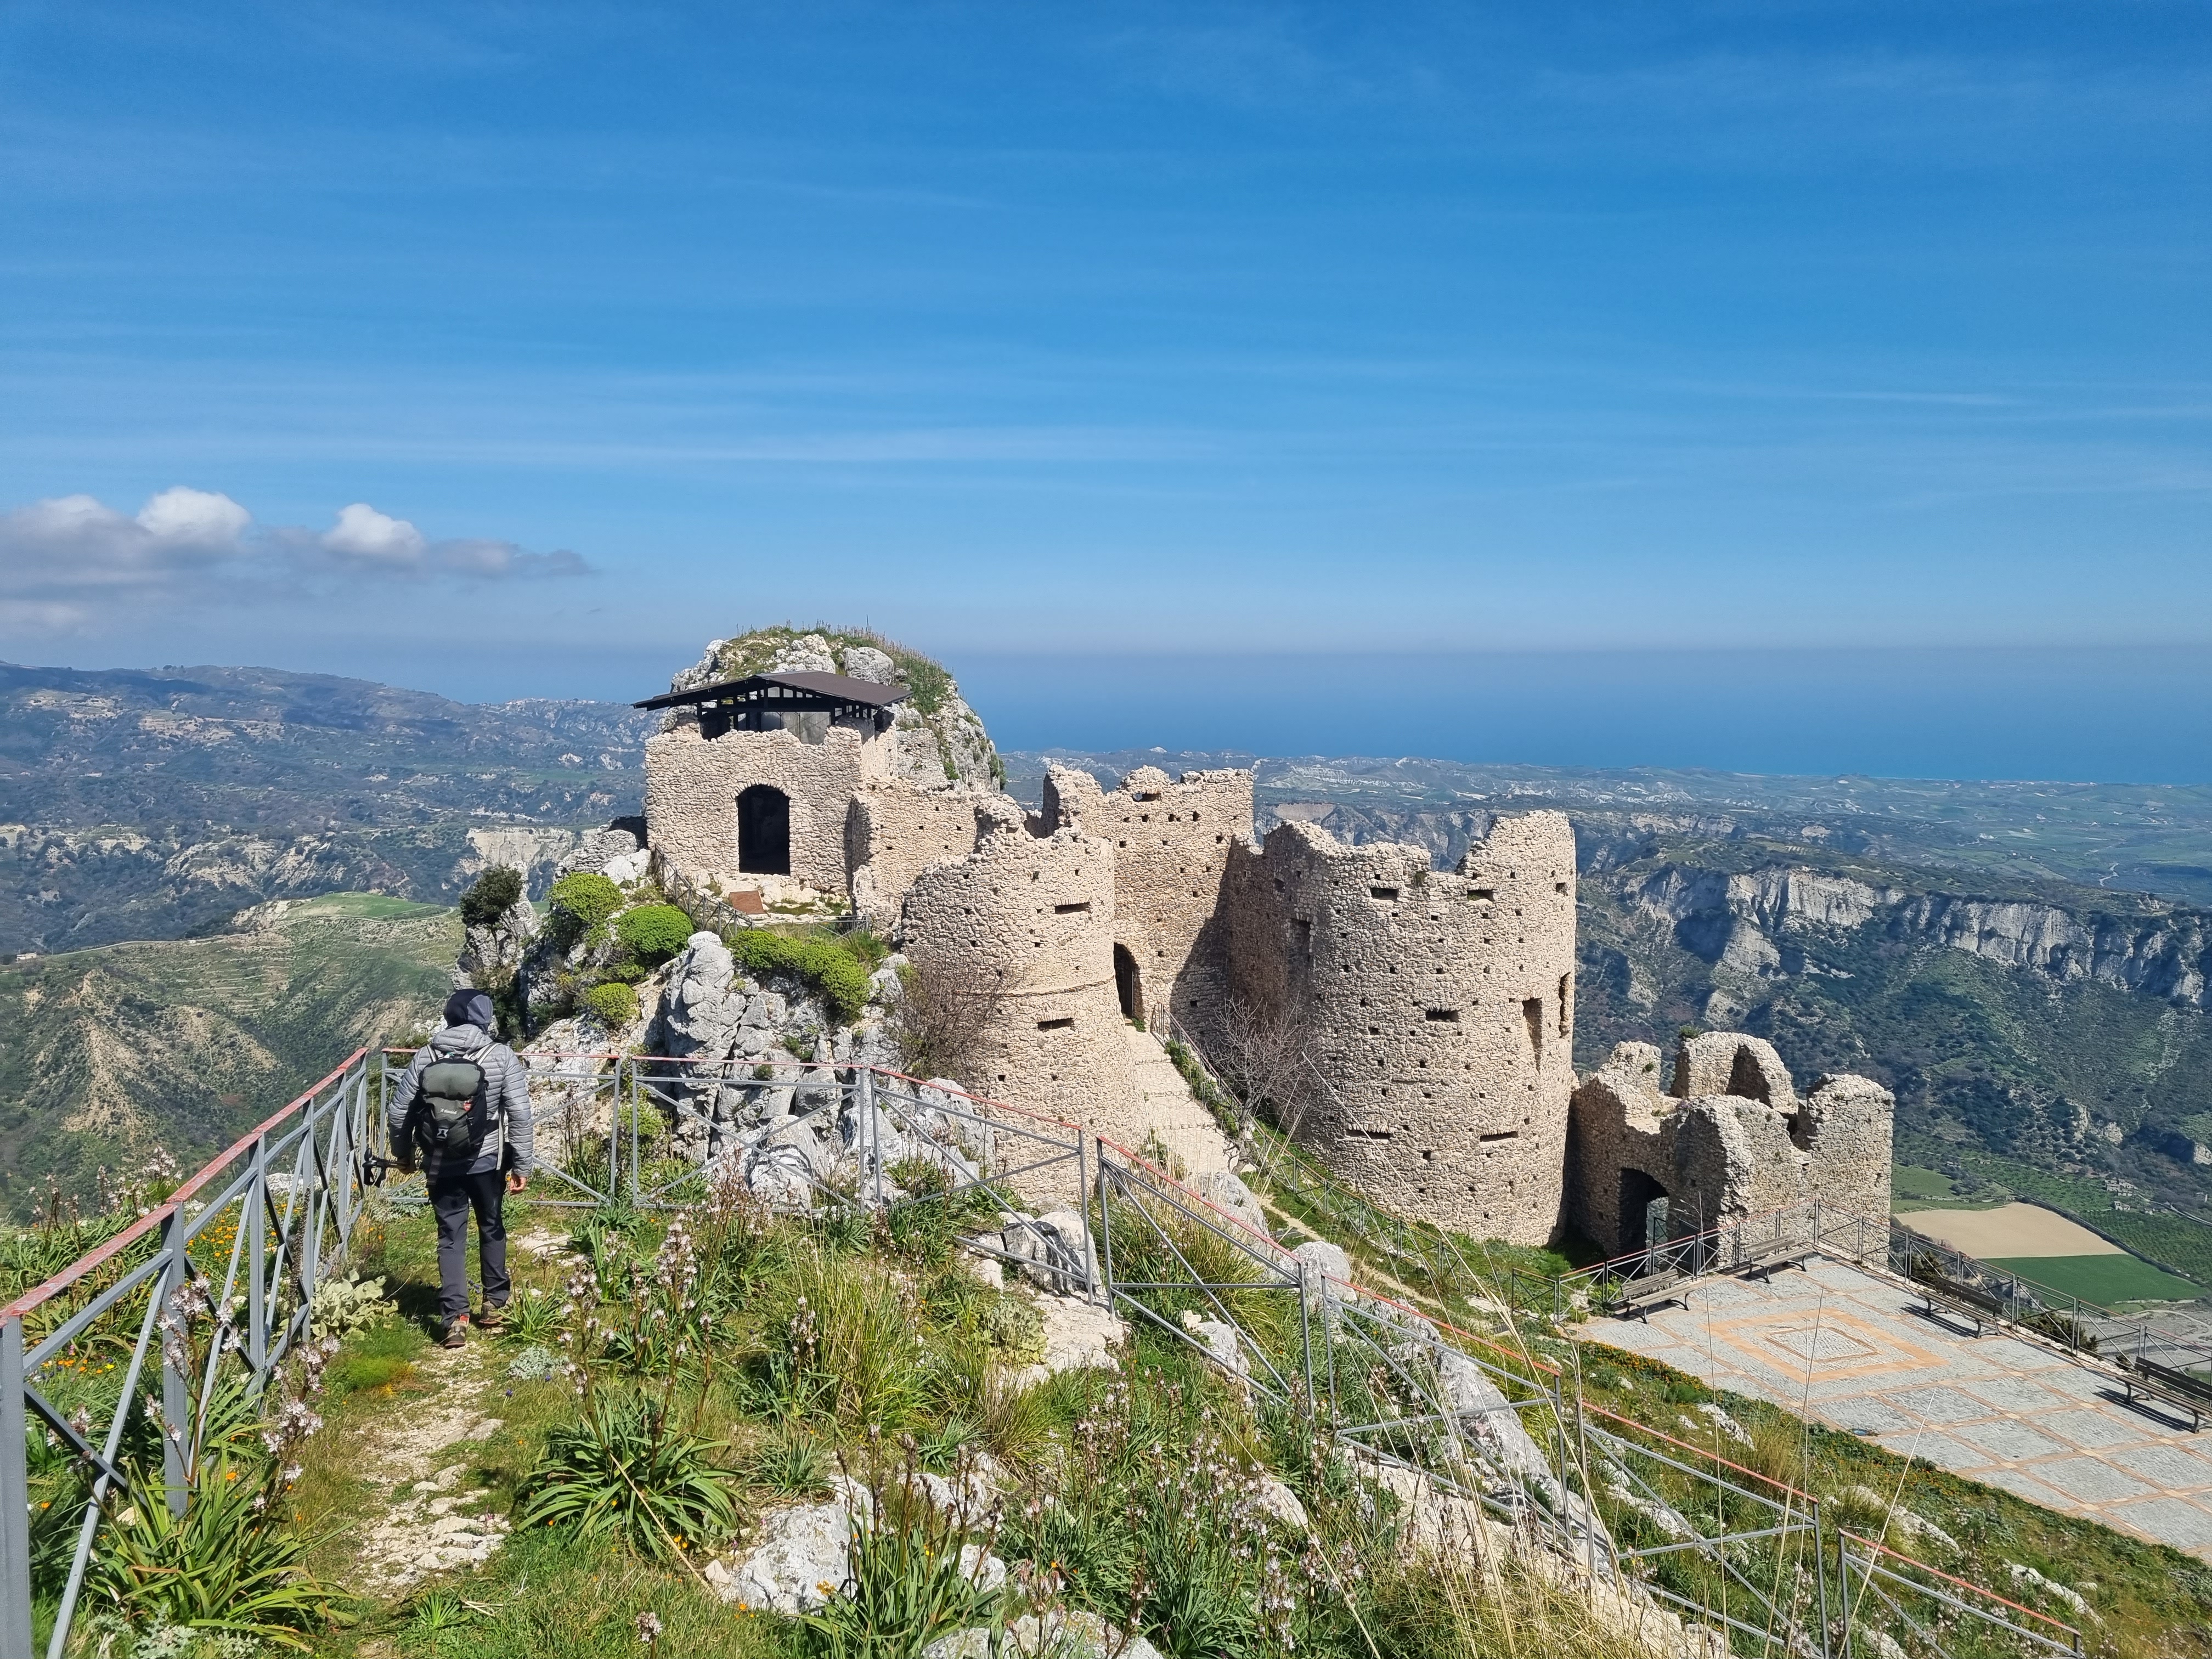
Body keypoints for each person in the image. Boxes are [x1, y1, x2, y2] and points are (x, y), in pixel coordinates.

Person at [388, 989, 535, 1347]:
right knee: (492, 1224)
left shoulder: (426, 1055)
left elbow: (397, 1112)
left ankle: (455, 1320)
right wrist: (522, 1165)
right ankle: (495, 1303)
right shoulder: (500, 1056)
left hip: (440, 1161)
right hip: (487, 1160)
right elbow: (519, 1113)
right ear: (484, 1021)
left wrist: (404, 1156)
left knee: (450, 1236)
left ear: (450, 1017)